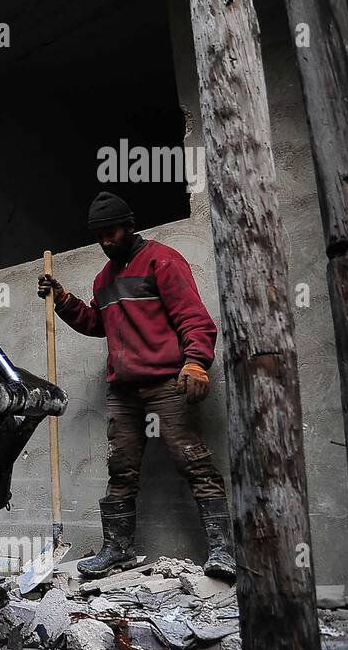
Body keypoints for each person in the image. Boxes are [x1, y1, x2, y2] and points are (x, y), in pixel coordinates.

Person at [37, 192, 234, 580]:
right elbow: (98, 324)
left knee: (193, 462)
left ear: (130, 226)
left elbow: (193, 316)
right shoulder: (103, 280)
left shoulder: (162, 260)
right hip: (124, 392)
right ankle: (118, 549)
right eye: (99, 236)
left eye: (111, 232)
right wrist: (63, 300)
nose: (105, 241)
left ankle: (223, 551)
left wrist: (196, 361)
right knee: (121, 468)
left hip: (166, 383)